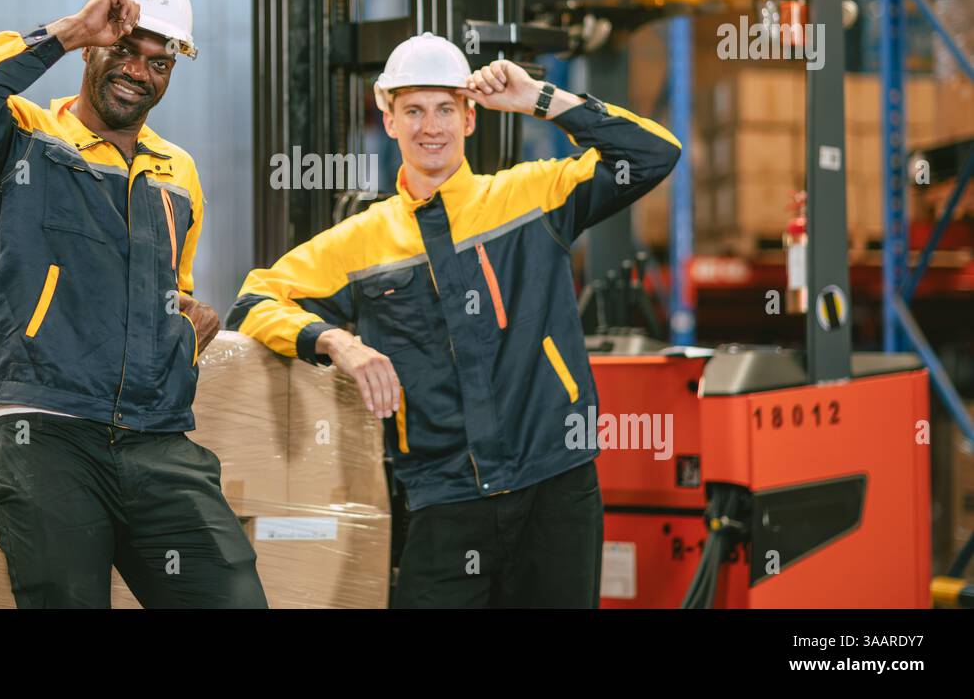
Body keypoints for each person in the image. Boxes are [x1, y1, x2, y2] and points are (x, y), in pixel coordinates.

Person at [227, 32, 680, 607]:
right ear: (388, 118)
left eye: (445, 108)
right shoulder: (360, 242)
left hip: (553, 486)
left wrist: (539, 98)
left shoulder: (532, 196)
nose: (430, 127)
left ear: (471, 116)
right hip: (445, 499)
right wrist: (337, 342)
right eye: (413, 110)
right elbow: (254, 301)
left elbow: (653, 153)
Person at [0, 0, 266, 608]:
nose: (139, 71)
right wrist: (71, 32)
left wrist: (184, 327)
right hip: (45, 432)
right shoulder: (25, 138)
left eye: (159, 63)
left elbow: (174, 288)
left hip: (157, 437)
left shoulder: (178, 172)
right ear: (97, 45)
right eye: (124, 50)